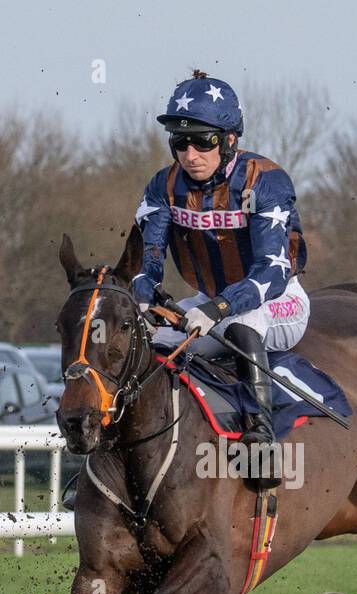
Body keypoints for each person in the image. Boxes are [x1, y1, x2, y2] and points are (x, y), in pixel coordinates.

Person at [132, 70, 309, 489]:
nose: (190, 154)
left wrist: (219, 308)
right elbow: (148, 259)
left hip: (276, 302)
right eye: (179, 142)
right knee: (141, 345)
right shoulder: (163, 186)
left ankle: (262, 443)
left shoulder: (265, 180)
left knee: (240, 324)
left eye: (203, 141)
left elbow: (272, 270)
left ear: (230, 140)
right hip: (209, 301)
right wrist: (143, 297)